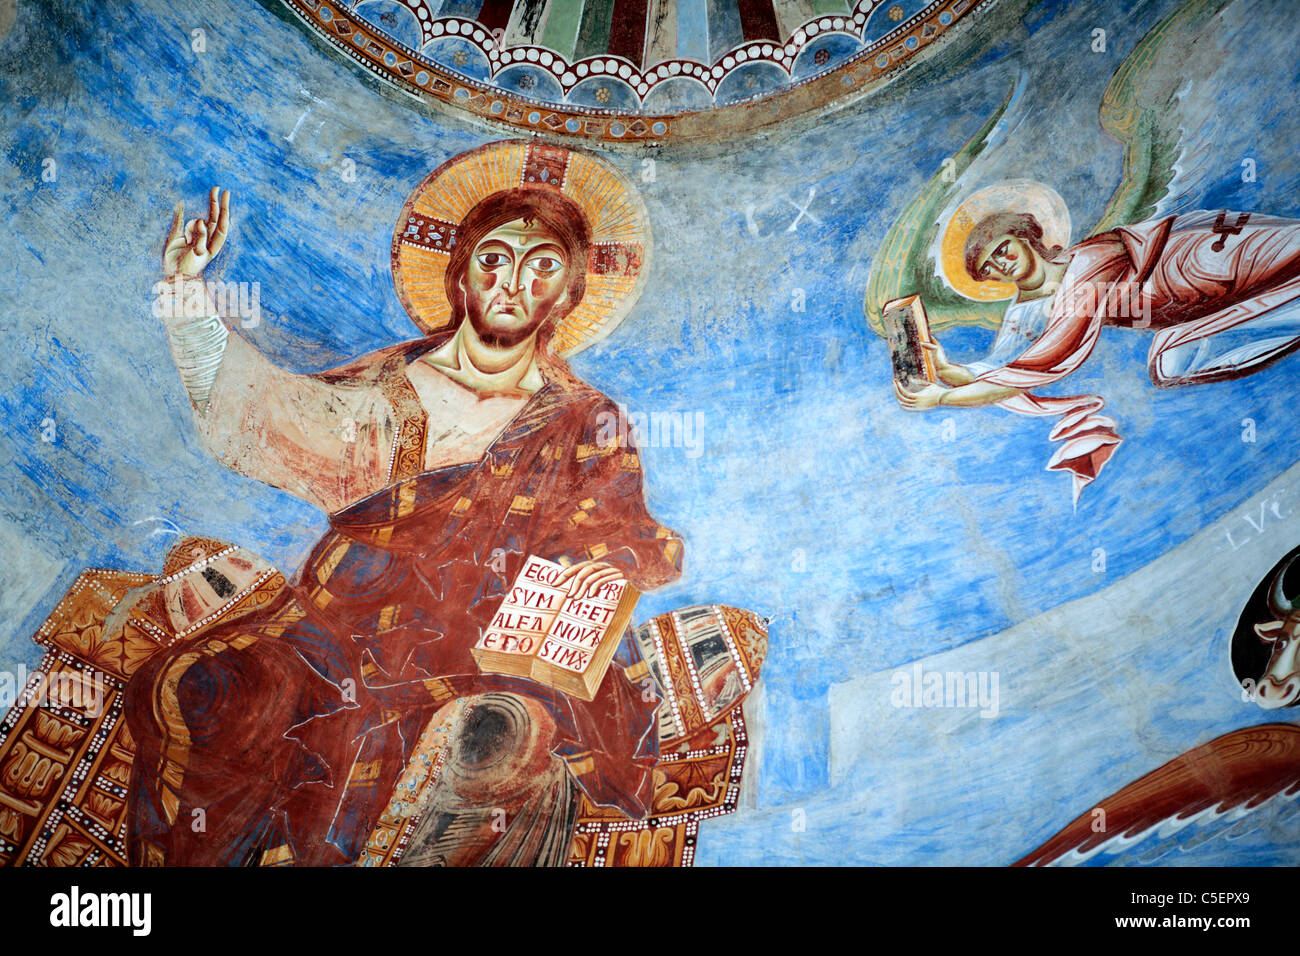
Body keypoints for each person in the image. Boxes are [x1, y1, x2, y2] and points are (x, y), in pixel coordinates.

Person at [124, 148, 683, 866]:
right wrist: (184, 292)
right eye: (494, 258)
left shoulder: (582, 419)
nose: (513, 281)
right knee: (215, 688)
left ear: (568, 293)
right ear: (460, 272)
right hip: (337, 627)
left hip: (478, 652)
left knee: (422, 737)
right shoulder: (389, 383)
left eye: (542, 264)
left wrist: (599, 568)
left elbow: (620, 536)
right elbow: (256, 407)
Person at [895, 207, 1300, 497]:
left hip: (1206, 258)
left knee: (1175, 354)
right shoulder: (1031, 304)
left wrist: (944, 399)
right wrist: (950, 370)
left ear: (1022, 235)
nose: (1001, 264)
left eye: (1001, 249)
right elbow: (1007, 366)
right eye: (989, 267)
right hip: (1198, 297)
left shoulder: (1087, 265)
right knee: (1173, 359)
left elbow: (1046, 362)